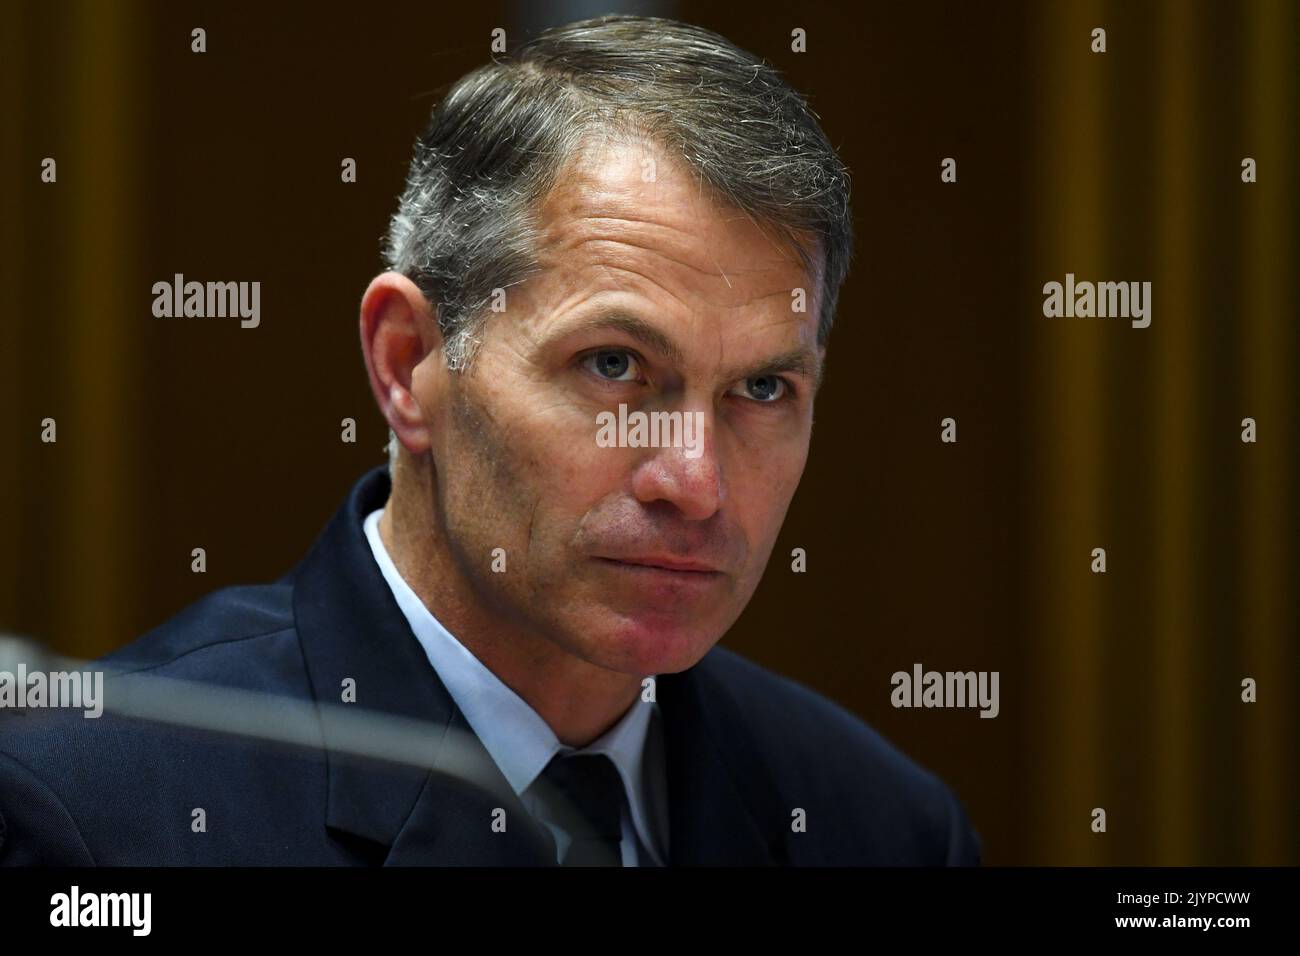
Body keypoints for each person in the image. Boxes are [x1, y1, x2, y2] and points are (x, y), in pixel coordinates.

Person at [0, 14, 980, 866]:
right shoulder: (100, 813)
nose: (694, 481)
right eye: (612, 365)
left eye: (761, 387)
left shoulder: (883, 825)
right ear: (408, 362)